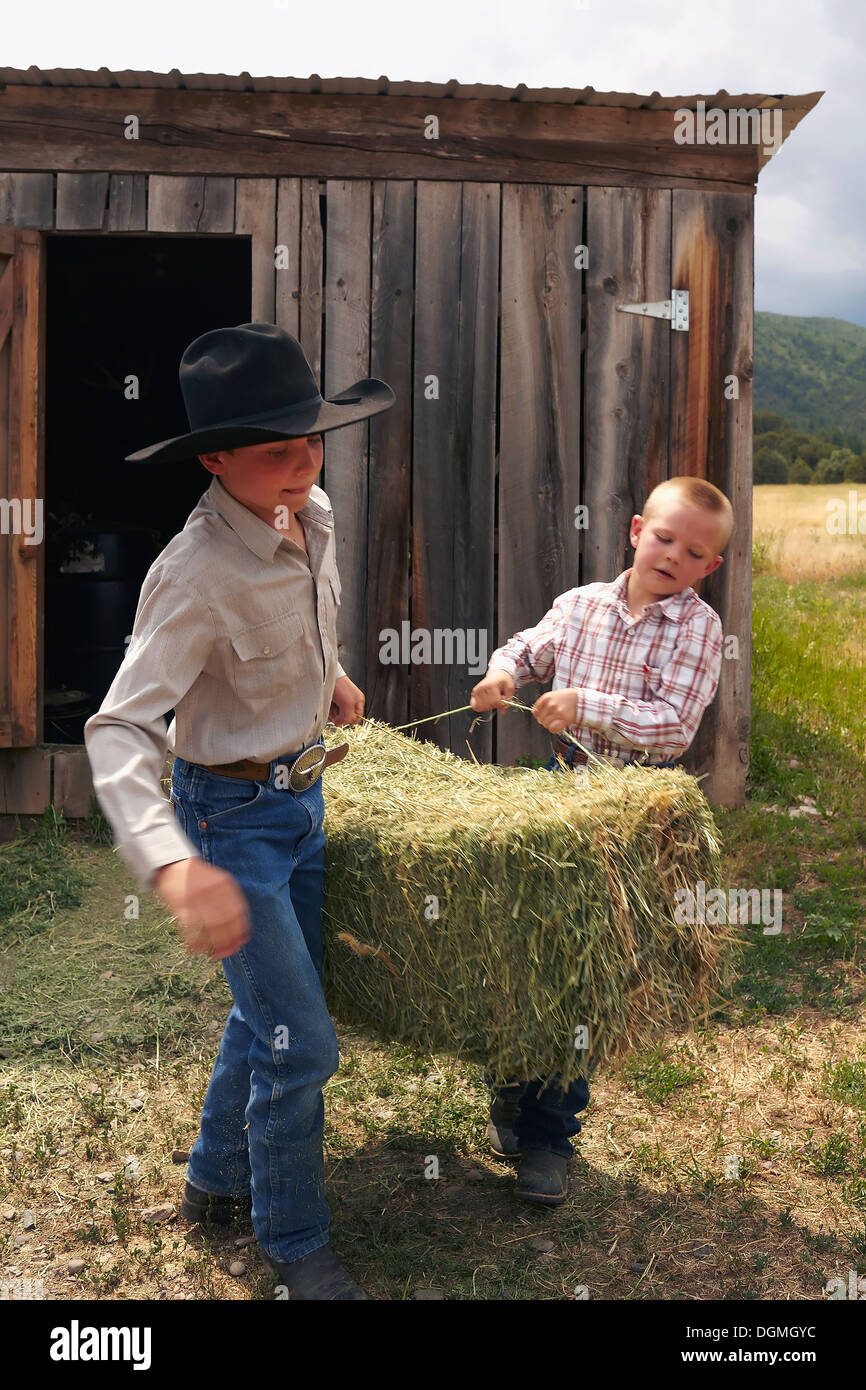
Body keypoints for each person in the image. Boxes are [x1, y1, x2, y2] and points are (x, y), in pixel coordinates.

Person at [84, 322, 395, 1299]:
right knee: (301, 1042)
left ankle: (216, 1178)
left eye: (310, 439)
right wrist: (175, 864)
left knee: (261, 1016)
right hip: (226, 821)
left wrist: (330, 677)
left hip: (303, 798)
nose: (302, 462)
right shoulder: (193, 572)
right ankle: (293, 1240)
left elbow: (307, 613)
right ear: (213, 459)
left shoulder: (313, 509)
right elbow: (118, 726)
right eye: (274, 450)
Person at [469, 475, 733, 1206]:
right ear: (637, 531)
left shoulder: (697, 630)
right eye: (666, 538)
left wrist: (589, 704)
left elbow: (675, 725)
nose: (675, 556)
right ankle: (509, 1094)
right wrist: (500, 673)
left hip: (629, 809)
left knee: (582, 971)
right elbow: (529, 648)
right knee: (522, 947)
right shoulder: (580, 605)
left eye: (695, 552)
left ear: (709, 568)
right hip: (556, 791)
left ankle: (551, 1133)